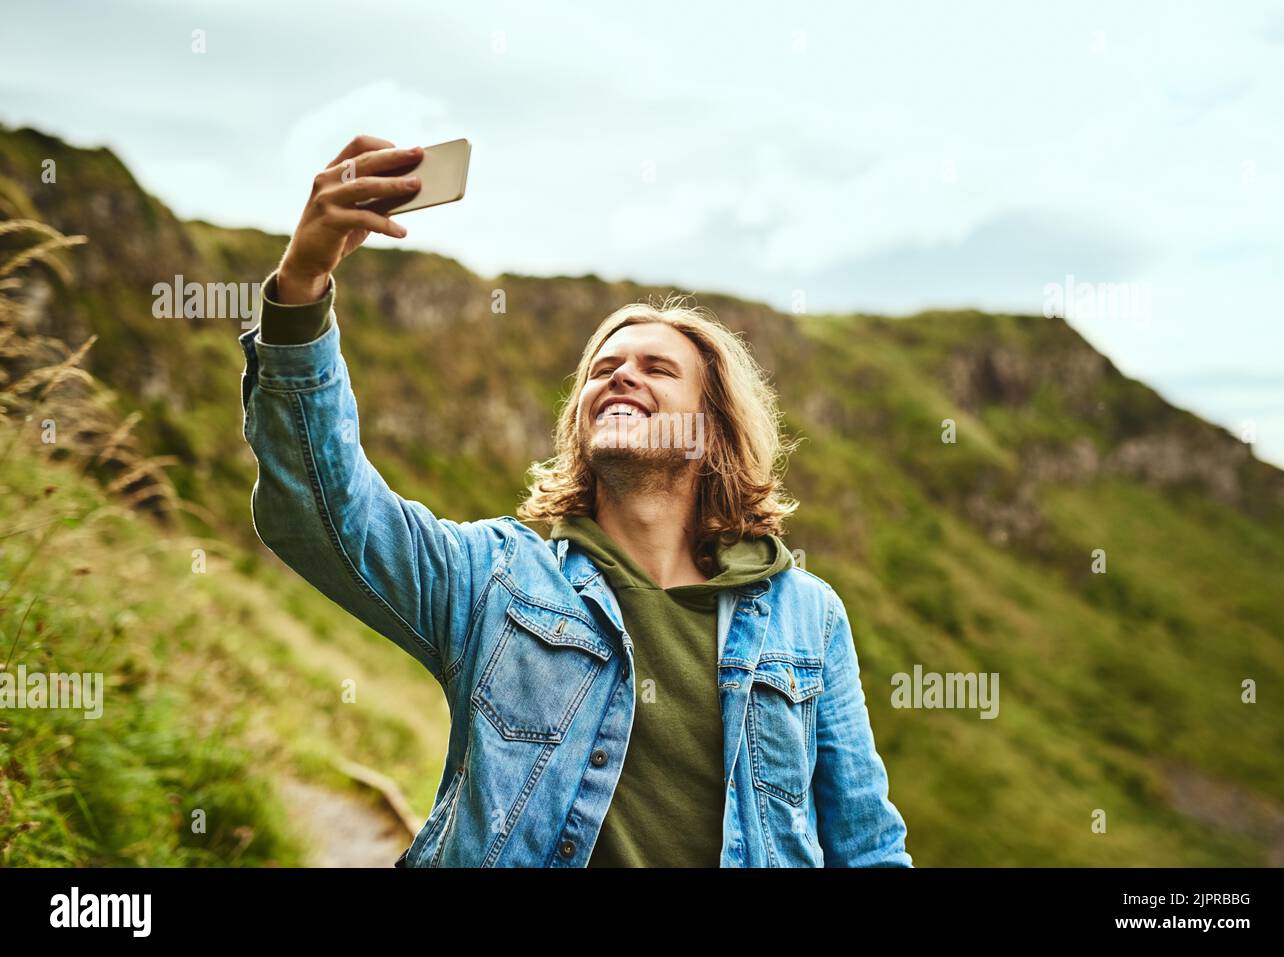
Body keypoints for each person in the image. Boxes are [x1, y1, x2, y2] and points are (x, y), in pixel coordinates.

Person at [239, 134, 912, 867]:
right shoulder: (495, 577)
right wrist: (303, 281)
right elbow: (323, 512)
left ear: (710, 430)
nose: (620, 377)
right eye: (603, 368)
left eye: (657, 368)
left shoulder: (806, 615)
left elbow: (866, 841)